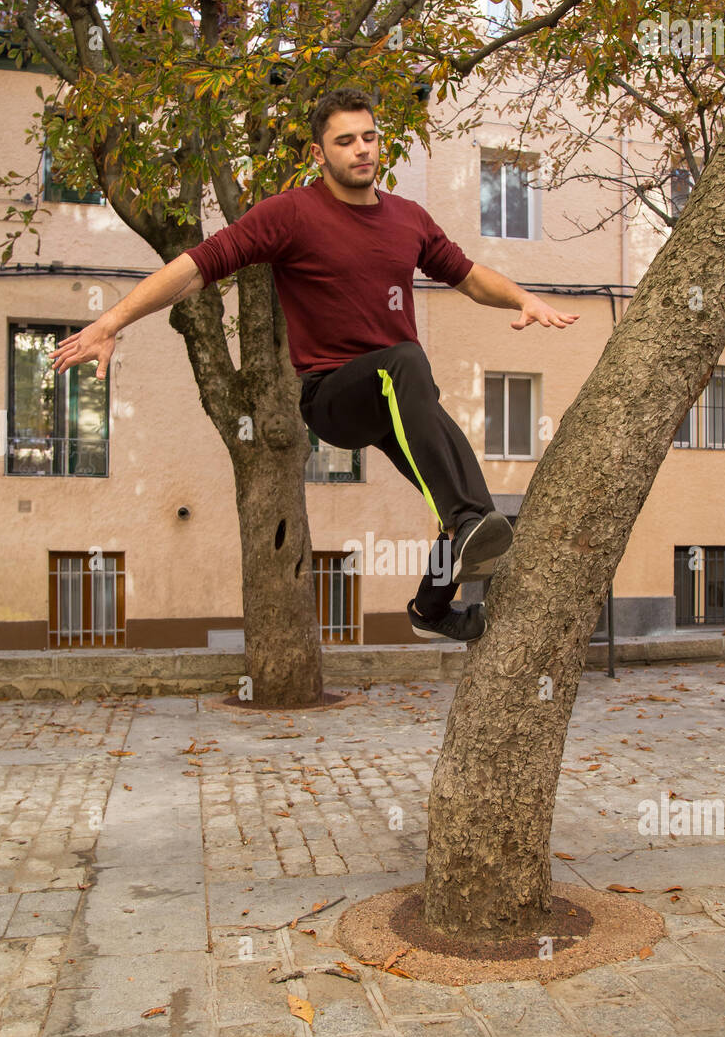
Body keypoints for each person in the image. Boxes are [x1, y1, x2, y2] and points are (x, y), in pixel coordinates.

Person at [50, 86, 578, 642]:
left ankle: (432, 607)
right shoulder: (291, 214)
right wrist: (111, 322)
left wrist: (524, 298)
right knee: (406, 366)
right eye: (345, 141)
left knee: (471, 500)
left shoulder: (408, 219)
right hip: (332, 399)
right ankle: (464, 525)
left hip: (398, 398)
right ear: (319, 154)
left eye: (369, 138)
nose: (361, 150)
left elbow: (468, 276)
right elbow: (196, 266)